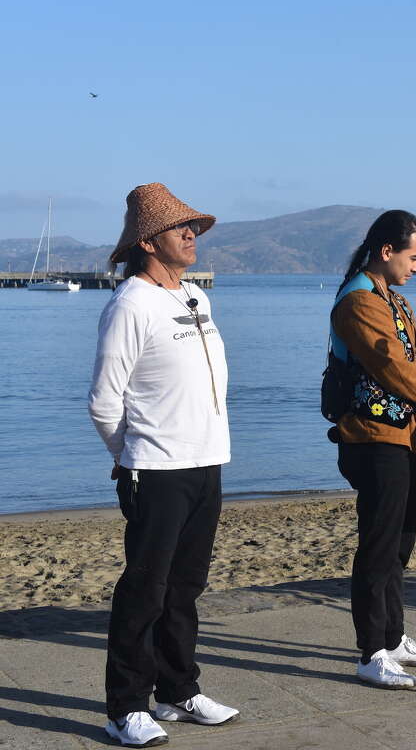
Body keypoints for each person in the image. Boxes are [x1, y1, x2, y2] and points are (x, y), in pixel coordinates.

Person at [89, 183, 239, 747]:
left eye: (194, 228)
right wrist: (129, 458)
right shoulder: (130, 303)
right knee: (145, 592)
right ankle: (124, 707)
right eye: (181, 229)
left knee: (186, 588)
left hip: (207, 462)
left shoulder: (197, 298)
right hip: (155, 468)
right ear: (148, 242)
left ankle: (178, 690)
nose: (192, 236)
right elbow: (105, 400)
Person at [330, 210, 416, 689]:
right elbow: (396, 370)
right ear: (386, 251)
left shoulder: (395, 301)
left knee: (399, 546)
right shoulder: (359, 302)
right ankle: (371, 652)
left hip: (406, 435)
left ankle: (393, 637)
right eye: (414, 257)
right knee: (378, 546)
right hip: (372, 438)